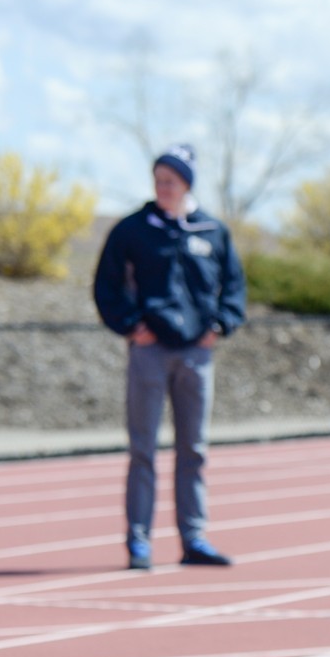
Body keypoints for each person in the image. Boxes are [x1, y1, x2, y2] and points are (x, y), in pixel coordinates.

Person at [93, 143, 246, 571]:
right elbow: (106, 287)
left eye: (171, 180)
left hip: (196, 356)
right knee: (143, 449)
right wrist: (130, 325)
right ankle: (138, 542)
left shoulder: (212, 231)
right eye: (158, 179)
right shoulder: (131, 230)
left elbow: (233, 287)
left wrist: (219, 326)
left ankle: (193, 538)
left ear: (186, 184)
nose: (162, 187)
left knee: (193, 450)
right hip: (149, 353)